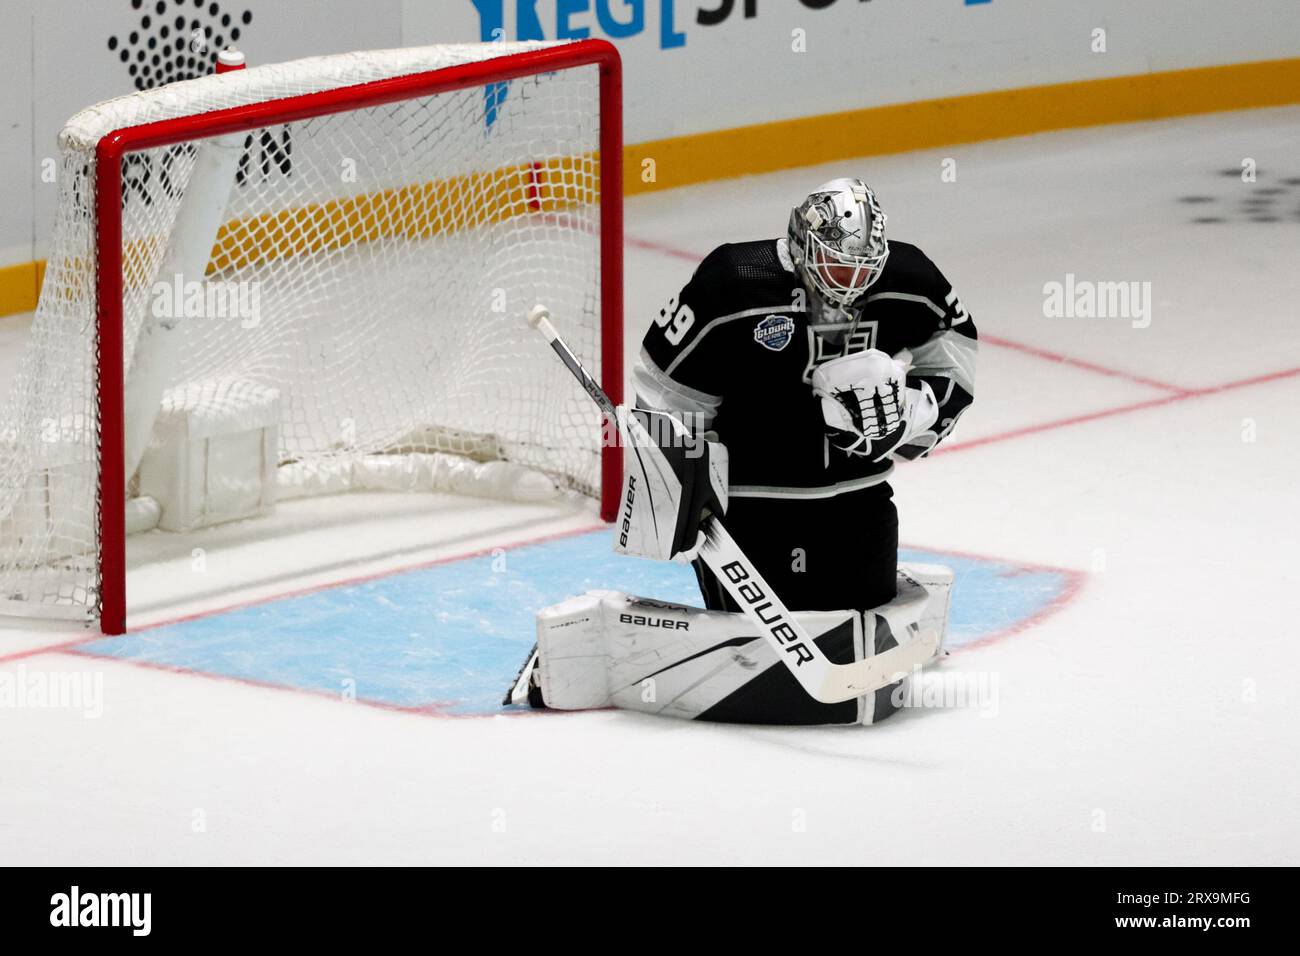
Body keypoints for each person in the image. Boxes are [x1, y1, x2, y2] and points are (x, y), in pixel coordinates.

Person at [510, 177, 977, 726]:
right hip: (753, 508)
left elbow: (955, 363)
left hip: (860, 497)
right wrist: (678, 479)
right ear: (803, 243)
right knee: (767, 644)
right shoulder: (733, 282)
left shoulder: (910, 278)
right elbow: (666, 386)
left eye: (862, 269)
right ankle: (591, 654)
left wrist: (912, 415)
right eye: (837, 265)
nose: (850, 282)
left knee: (855, 622)